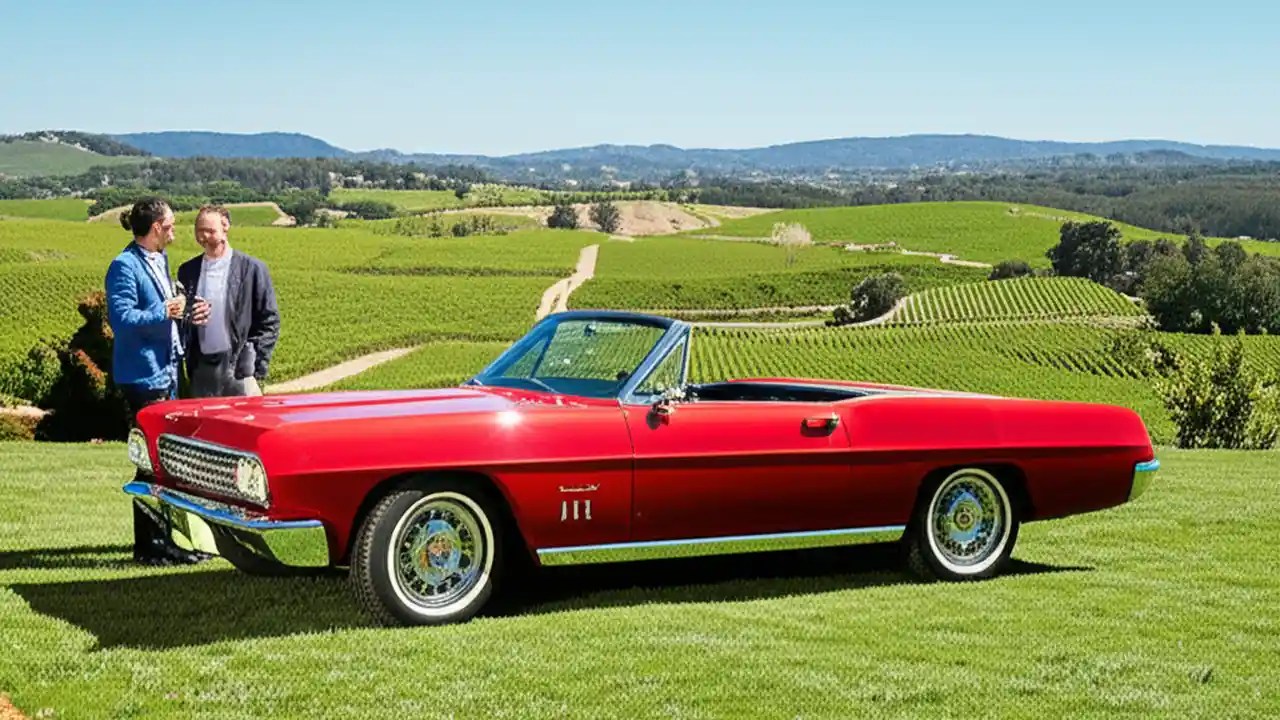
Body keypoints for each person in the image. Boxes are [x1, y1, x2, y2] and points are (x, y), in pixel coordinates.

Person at [105, 197, 212, 565]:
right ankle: (149, 547)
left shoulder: (159, 259)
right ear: (155, 229)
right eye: (170, 226)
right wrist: (162, 310)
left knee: (165, 460)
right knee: (150, 461)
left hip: (167, 369)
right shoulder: (123, 266)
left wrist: (187, 314)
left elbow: (166, 316)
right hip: (143, 375)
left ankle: (167, 541)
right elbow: (121, 320)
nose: (174, 231)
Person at [178, 205, 280, 398]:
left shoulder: (252, 269)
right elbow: (181, 316)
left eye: (209, 231)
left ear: (225, 226)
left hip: (239, 369)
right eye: (199, 231)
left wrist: (253, 361)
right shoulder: (188, 271)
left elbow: (269, 321)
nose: (203, 237)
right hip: (201, 369)